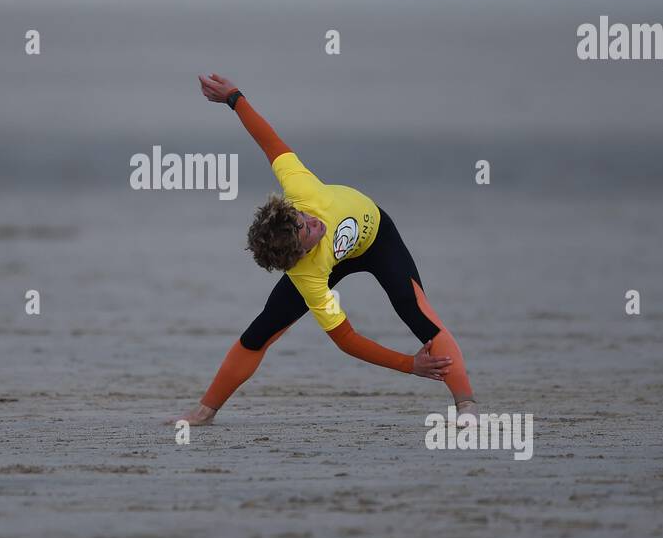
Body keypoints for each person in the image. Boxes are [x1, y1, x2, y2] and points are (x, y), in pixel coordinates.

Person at [173, 74, 479, 427]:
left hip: (377, 237)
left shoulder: (301, 191)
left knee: (416, 313)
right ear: (297, 256)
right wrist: (408, 365)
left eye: (302, 218)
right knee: (262, 329)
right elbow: (346, 339)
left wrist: (234, 98)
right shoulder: (308, 276)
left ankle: (466, 405)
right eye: (307, 232)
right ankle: (205, 411)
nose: (313, 222)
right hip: (329, 262)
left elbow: (268, 141)